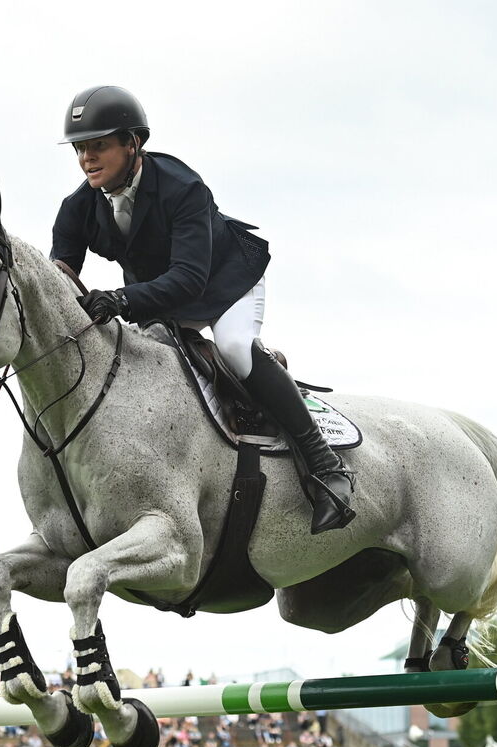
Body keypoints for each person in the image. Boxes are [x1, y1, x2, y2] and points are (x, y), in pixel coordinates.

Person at [50, 85, 356, 534]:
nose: (86, 158)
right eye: (80, 148)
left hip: (225, 284)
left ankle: (326, 465)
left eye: (99, 145)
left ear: (133, 143)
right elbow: (59, 281)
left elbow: (190, 278)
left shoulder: (183, 187)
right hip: (159, 300)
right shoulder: (76, 208)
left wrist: (120, 300)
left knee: (233, 348)